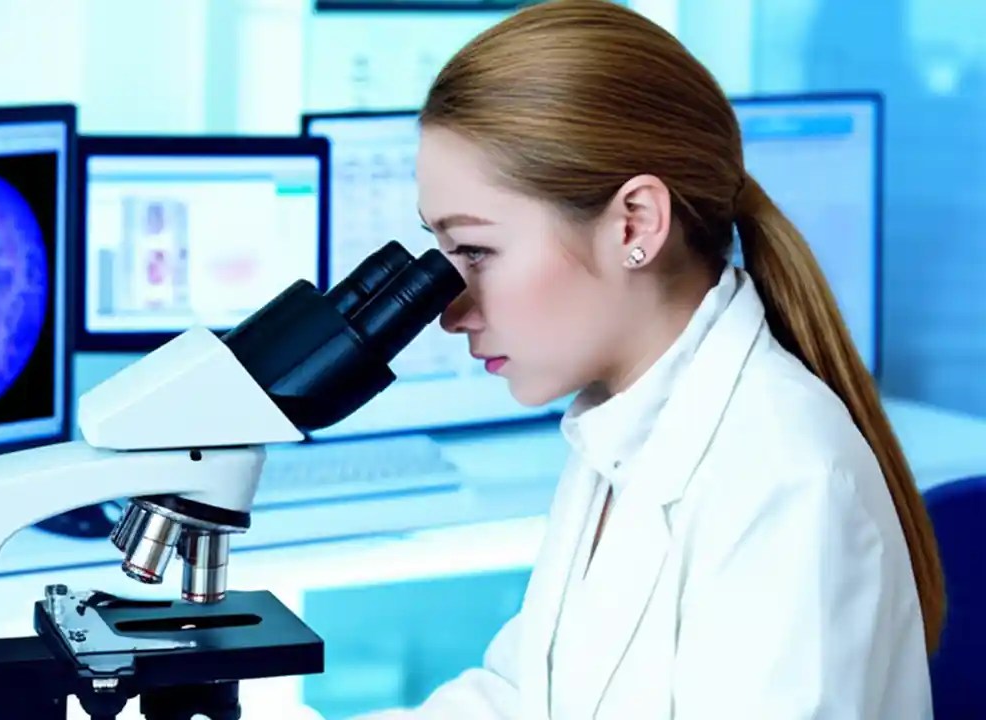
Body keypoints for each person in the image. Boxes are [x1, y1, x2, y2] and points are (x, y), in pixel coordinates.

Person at [329, 1, 946, 718]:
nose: (449, 309)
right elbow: (527, 694)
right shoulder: (622, 431)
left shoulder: (786, 482)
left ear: (636, 224)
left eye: (477, 251)